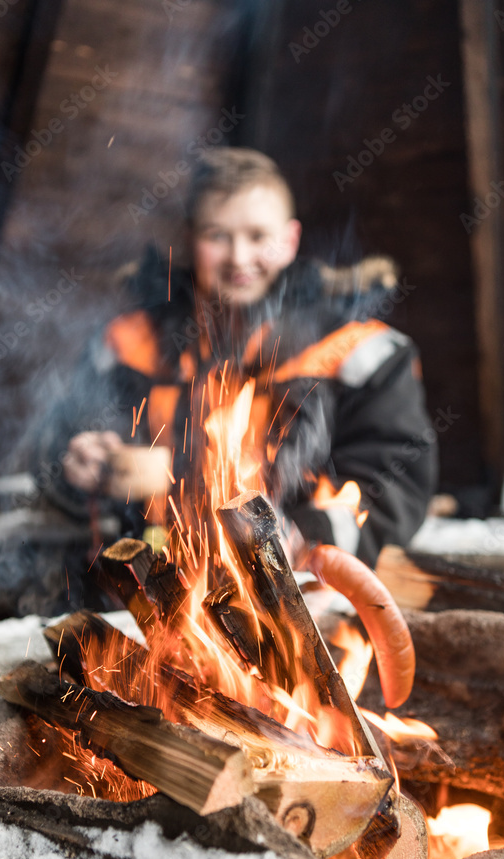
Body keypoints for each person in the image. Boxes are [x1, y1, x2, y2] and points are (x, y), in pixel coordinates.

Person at [38, 148, 437, 569]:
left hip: (303, 599)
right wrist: (86, 468)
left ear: (290, 241)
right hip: (145, 592)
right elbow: (48, 451)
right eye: (217, 235)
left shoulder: (360, 352)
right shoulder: (127, 342)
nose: (239, 258)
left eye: (258, 236)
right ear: (191, 238)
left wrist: (298, 535)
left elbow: (395, 489)